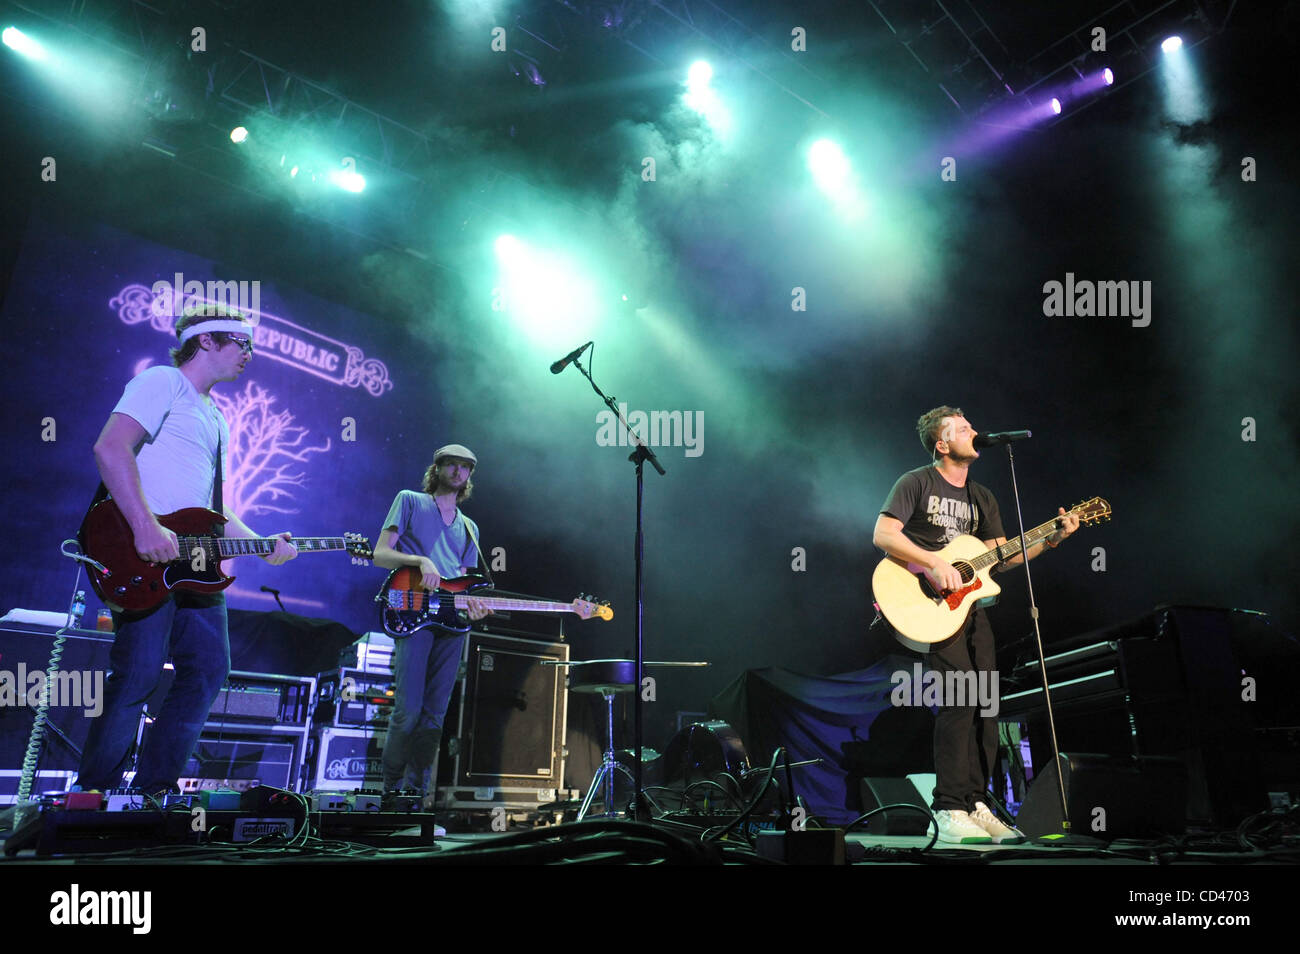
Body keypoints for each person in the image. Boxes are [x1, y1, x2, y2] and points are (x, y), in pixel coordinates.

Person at [77, 308, 297, 797]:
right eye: (240, 343)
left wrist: (261, 544)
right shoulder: (162, 382)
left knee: (208, 669)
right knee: (137, 672)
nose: (249, 354)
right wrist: (144, 528)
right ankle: (92, 797)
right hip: (144, 557)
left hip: (196, 565)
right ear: (206, 342)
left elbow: (213, 511)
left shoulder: (216, 416)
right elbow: (111, 449)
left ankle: (154, 792)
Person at [872, 406, 1078, 844]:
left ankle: (977, 802)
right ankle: (948, 806)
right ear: (942, 444)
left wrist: (1052, 537)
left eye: (972, 427)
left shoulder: (982, 497)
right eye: (963, 429)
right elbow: (884, 535)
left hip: (970, 610)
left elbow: (1006, 557)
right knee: (960, 698)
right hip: (927, 602)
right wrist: (931, 564)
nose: (975, 432)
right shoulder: (916, 482)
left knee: (986, 703)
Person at [372, 444, 492, 808]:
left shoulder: (470, 528)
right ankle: (389, 792)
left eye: (465, 467)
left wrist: (475, 607)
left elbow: (468, 584)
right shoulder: (409, 500)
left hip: (452, 624)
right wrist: (420, 559)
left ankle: (416, 798)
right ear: (436, 468)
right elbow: (380, 554)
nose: (458, 472)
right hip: (413, 612)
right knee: (407, 709)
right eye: (451, 465)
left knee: (435, 715)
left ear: (470, 475)